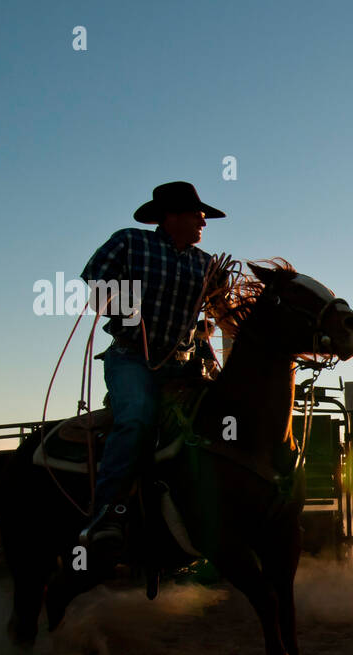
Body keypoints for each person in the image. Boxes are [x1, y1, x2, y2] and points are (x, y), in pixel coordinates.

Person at [77, 181, 225, 547]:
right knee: (138, 417)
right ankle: (107, 513)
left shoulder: (206, 265)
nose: (203, 223)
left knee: (222, 419)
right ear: (171, 217)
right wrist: (127, 309)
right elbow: (96, 282)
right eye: (198, 215)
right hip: (132, 359)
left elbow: (218, 314)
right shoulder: (130, 241)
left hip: (185, 363)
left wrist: (217, 304)